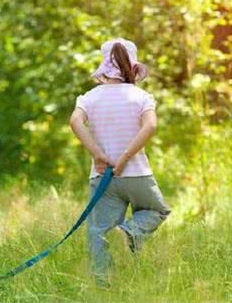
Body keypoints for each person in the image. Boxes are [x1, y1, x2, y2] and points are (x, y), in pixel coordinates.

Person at [69, 37, 171, 287]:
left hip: (103, 176)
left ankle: (104, 285)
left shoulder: (90, 97)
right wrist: (125, 157)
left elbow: (75, 122)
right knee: (157, 211)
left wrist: (97, 154)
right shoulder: (141, 96)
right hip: (136, 173)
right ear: (133, 68)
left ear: (105, 68)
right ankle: (128, 233)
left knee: (99, 233)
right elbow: (151, 125)